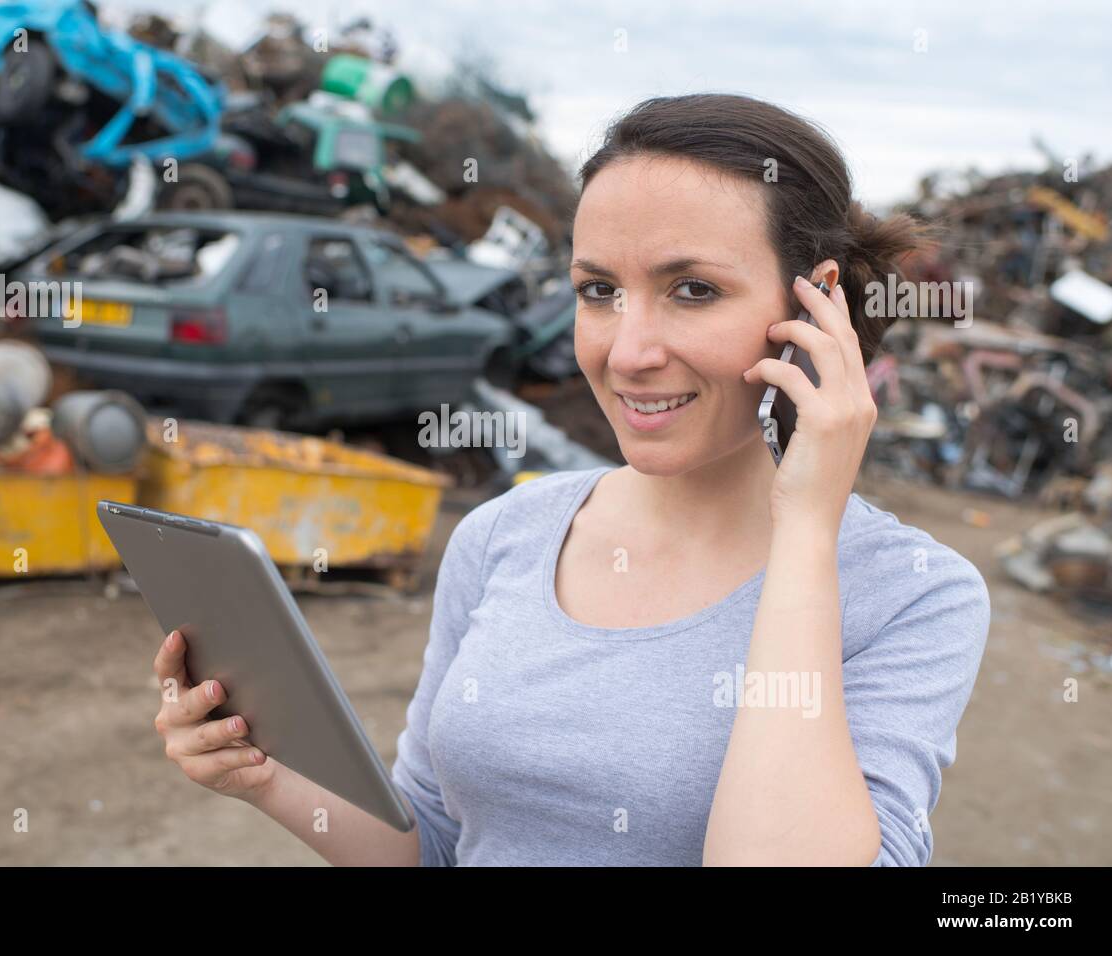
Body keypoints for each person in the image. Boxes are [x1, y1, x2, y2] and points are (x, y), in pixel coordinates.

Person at [151, 93, 990, 866]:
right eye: (599, 291)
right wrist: (261, 774)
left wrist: (806, 529)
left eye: (692, 290)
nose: (626, 352)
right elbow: (438, 843)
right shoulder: (503, 535)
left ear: (816, 308)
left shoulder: (912, 595)